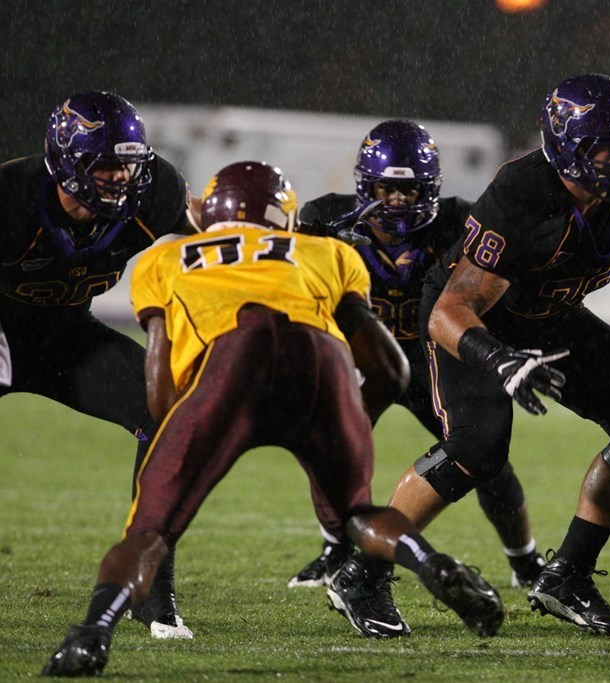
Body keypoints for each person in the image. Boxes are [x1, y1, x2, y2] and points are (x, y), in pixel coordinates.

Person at [41, 161, 505, 677]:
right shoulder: (326, 252)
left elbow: (159, 390)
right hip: (319, 365)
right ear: (282, 214)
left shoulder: (166, 258)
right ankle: (433, 564)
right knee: (356, 515)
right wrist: (348, 415)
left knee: (148, 534)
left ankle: (92, 632)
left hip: (229, 363)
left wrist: (195, 427)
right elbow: (391, 368)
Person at [344, 73, 610, 639]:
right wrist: (501, 360)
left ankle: (567, 576)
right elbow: (449, 310)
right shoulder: (523, 197)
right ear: (567, 148)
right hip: (475, 322)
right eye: (607, 145)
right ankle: (363, 575)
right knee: (477, 446)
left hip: (550, 318)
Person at [291, 119, 545, 638]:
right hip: (366, 360)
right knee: (333, 451)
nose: (399, 201)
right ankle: (335, 551)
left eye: (410, 189)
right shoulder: (322, 221)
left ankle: (526, 562)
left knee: (486, 462)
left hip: (433, 359)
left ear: (430, 188)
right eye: (387, 188)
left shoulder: (459, 221)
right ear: (366, 185)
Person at [0, 91, 196, 638]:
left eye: (129, 165)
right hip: (2, 329)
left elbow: (202, 250)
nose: (120, 179)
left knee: (167, 413)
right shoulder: (11, 195)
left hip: (68, 337)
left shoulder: (157, 194)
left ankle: (150, 590)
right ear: (64, 160)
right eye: (106, 164)